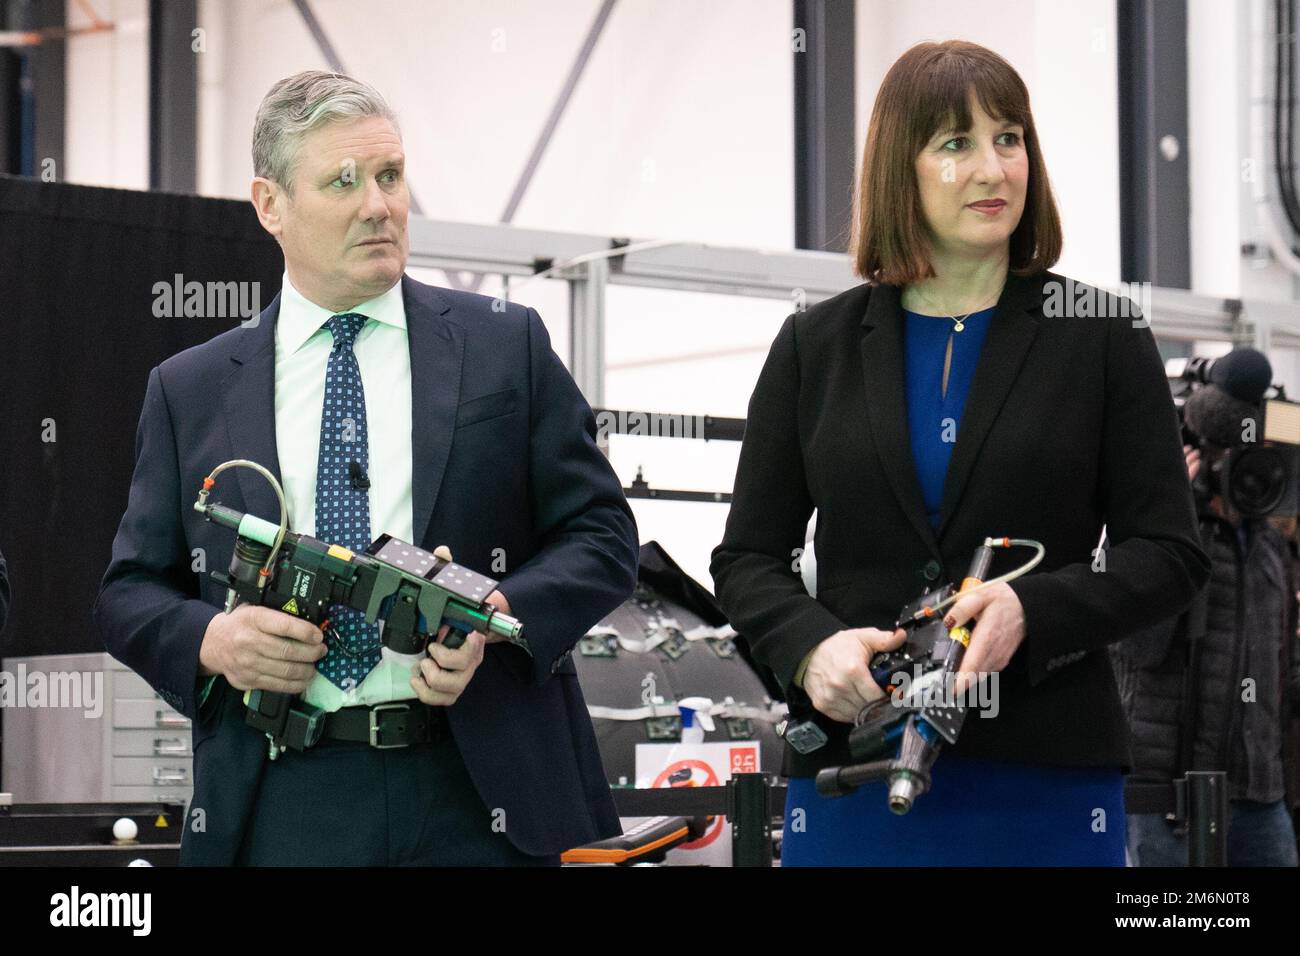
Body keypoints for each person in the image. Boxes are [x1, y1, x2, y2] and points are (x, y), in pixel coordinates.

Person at [94, 71, 639, 865]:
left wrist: (494, 614)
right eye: (343, 181)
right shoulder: (192, 388)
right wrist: (215, 639)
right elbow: (127, 593)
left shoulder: (504, 346)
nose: (378, 205)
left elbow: (604, 536)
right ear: (269, 204)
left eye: (389, 176)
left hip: (486, 794)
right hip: (284, 798)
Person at [710, 39, 1210, 866]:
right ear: (899, 170)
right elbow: (747, 558)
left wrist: (1034, 610)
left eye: (1009, 139)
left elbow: (1169, 555)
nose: (994, 168)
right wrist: (809, 645)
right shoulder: (814, 346)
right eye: (956, 144)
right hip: (853, 770)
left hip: (1044, 776)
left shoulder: (1105, 337)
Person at [1115, 423, 1299, 867]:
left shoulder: (1272, 547)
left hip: (1257, 792)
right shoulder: (1160, 538)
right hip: (1164, 793)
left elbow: (1285, 671)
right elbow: (1139, 649)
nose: (1254, 475)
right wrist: (1170, 518)